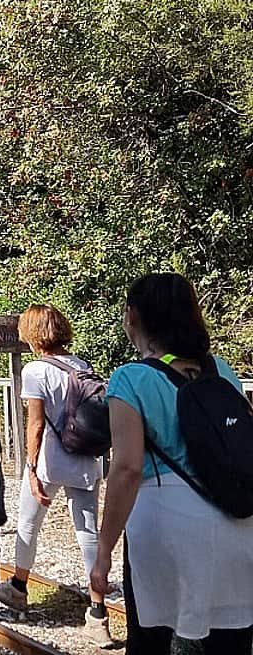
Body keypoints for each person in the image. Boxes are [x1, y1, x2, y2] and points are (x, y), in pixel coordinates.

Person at [90, 274, 253, 654]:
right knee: (230, 642)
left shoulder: (130, 378)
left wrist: (103, 551)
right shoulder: (222, 371)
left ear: (132, 316)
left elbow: (127, 469)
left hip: (164, 526)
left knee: (151, 641)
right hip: (236, 521)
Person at [0, 305, 112, 646]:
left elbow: (36, 424)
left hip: (49, 462)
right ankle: (98, 612)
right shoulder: (82, 365)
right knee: (88, 533)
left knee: (29, 523)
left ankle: (18, 587)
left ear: (33, 334)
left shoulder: (35, 371)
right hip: (85, 457)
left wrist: (29, 467)